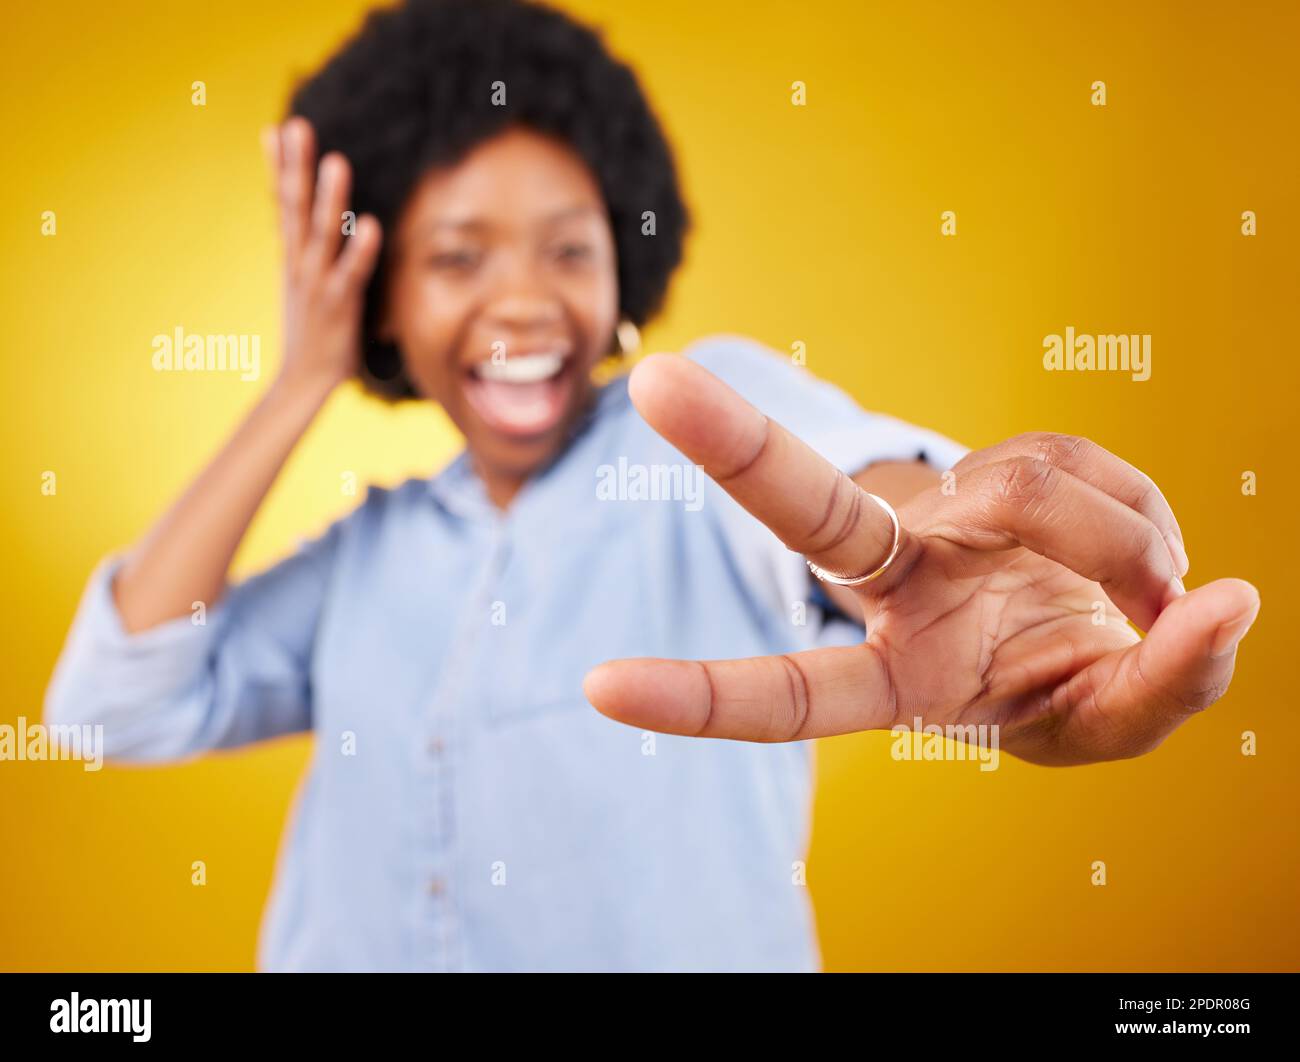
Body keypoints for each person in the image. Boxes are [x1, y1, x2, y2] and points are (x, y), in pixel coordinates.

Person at [45, 0, 1259, 972]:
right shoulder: (368, 554)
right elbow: (110, 709)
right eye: (455, 257)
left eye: (569, 249)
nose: (521, 297)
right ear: (380, 305)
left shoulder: (685, 431)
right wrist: (294, 381)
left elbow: (833, 485)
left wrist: (928, 530)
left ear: (623, 264)